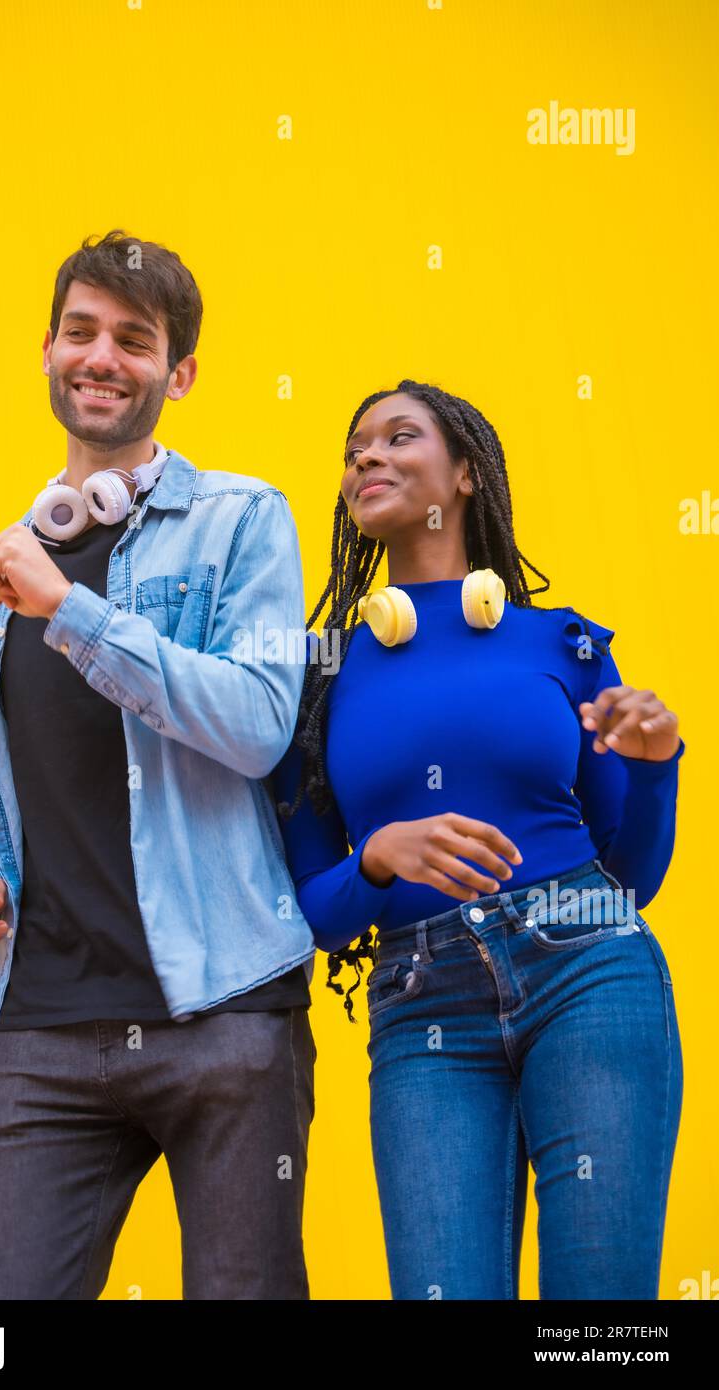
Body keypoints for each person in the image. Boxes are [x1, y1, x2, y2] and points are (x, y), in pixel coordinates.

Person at [0, 229, 317, 1300]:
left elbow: (254, 723)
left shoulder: (244, 519)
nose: (102, 356)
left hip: (224, 1013)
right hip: (42, 1022)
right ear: (46, 350)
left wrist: (70, 610)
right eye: (82, 332)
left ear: (176, 373)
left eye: (134, 340)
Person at [273, 378, 684, 1300]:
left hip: (587, 970)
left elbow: (629, 875)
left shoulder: (564, 644)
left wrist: (656, 765)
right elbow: (315, 914)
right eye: (354, 449)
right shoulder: (319, 676)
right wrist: (376, 861)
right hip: (424, 1005)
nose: (367, 458)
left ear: (461, 474)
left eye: (396, 438)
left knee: (603, 1322)